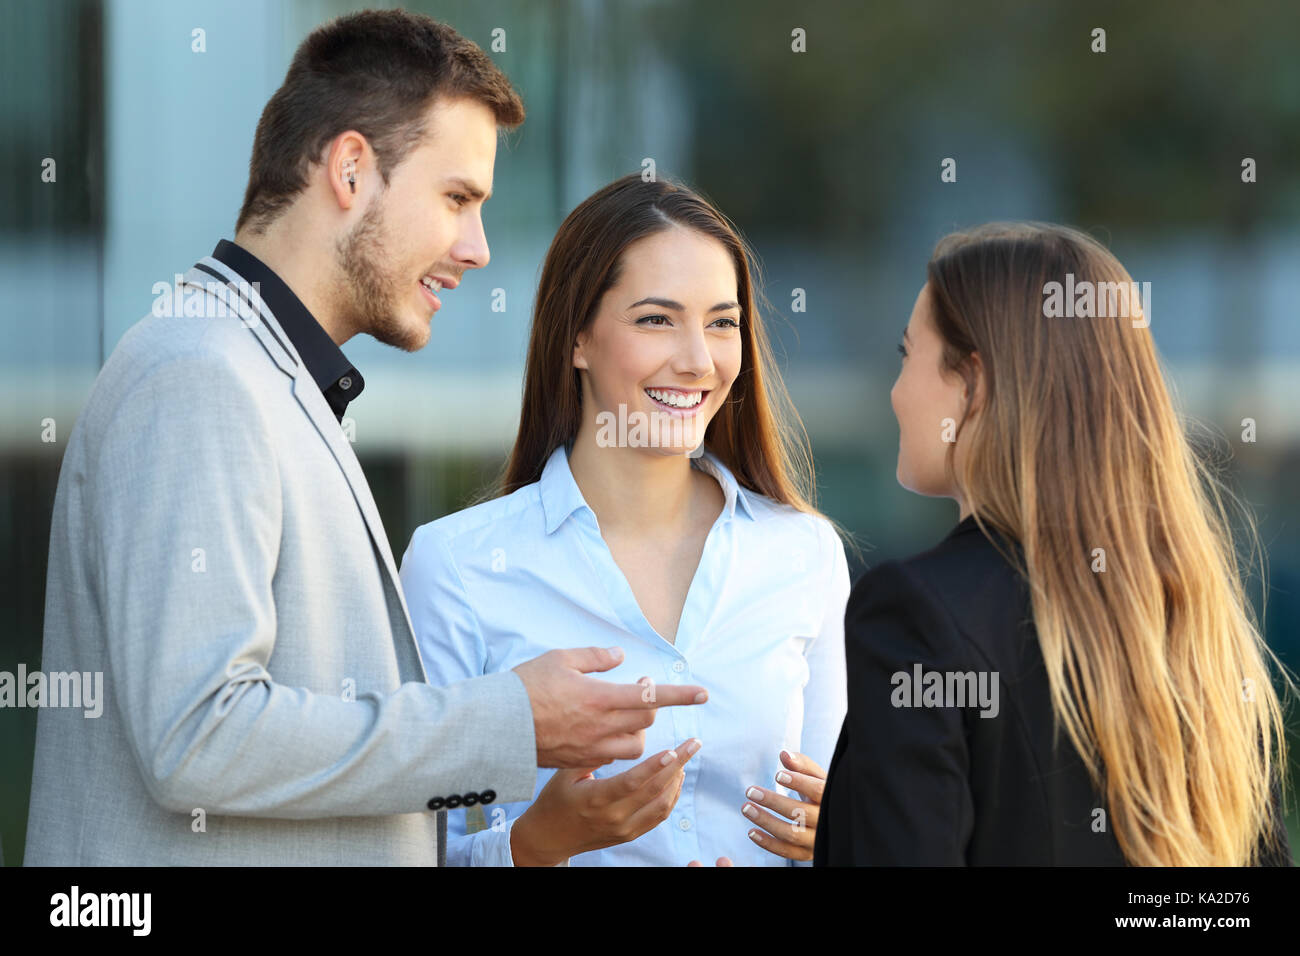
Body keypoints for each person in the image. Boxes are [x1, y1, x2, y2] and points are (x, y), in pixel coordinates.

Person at [24, 10, 704, 867]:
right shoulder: (200, 375)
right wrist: (510, 720)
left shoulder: (263, 374)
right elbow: (198, 735)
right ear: (350, 169)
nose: (478, 248)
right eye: (458, 198)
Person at [400, 173, 850, 866]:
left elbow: (840, 817)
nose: (699, 361)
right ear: (577, 337)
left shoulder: (804, 553)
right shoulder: (456, 567)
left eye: (722, 323)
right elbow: (409, 854)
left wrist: (851, 838)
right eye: (656, 320)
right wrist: (538, 842)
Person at [815, 222, 1293, 866]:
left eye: (908, 355)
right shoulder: (1193, 620)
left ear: (973, 383)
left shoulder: (914, 614)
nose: (897, 389)